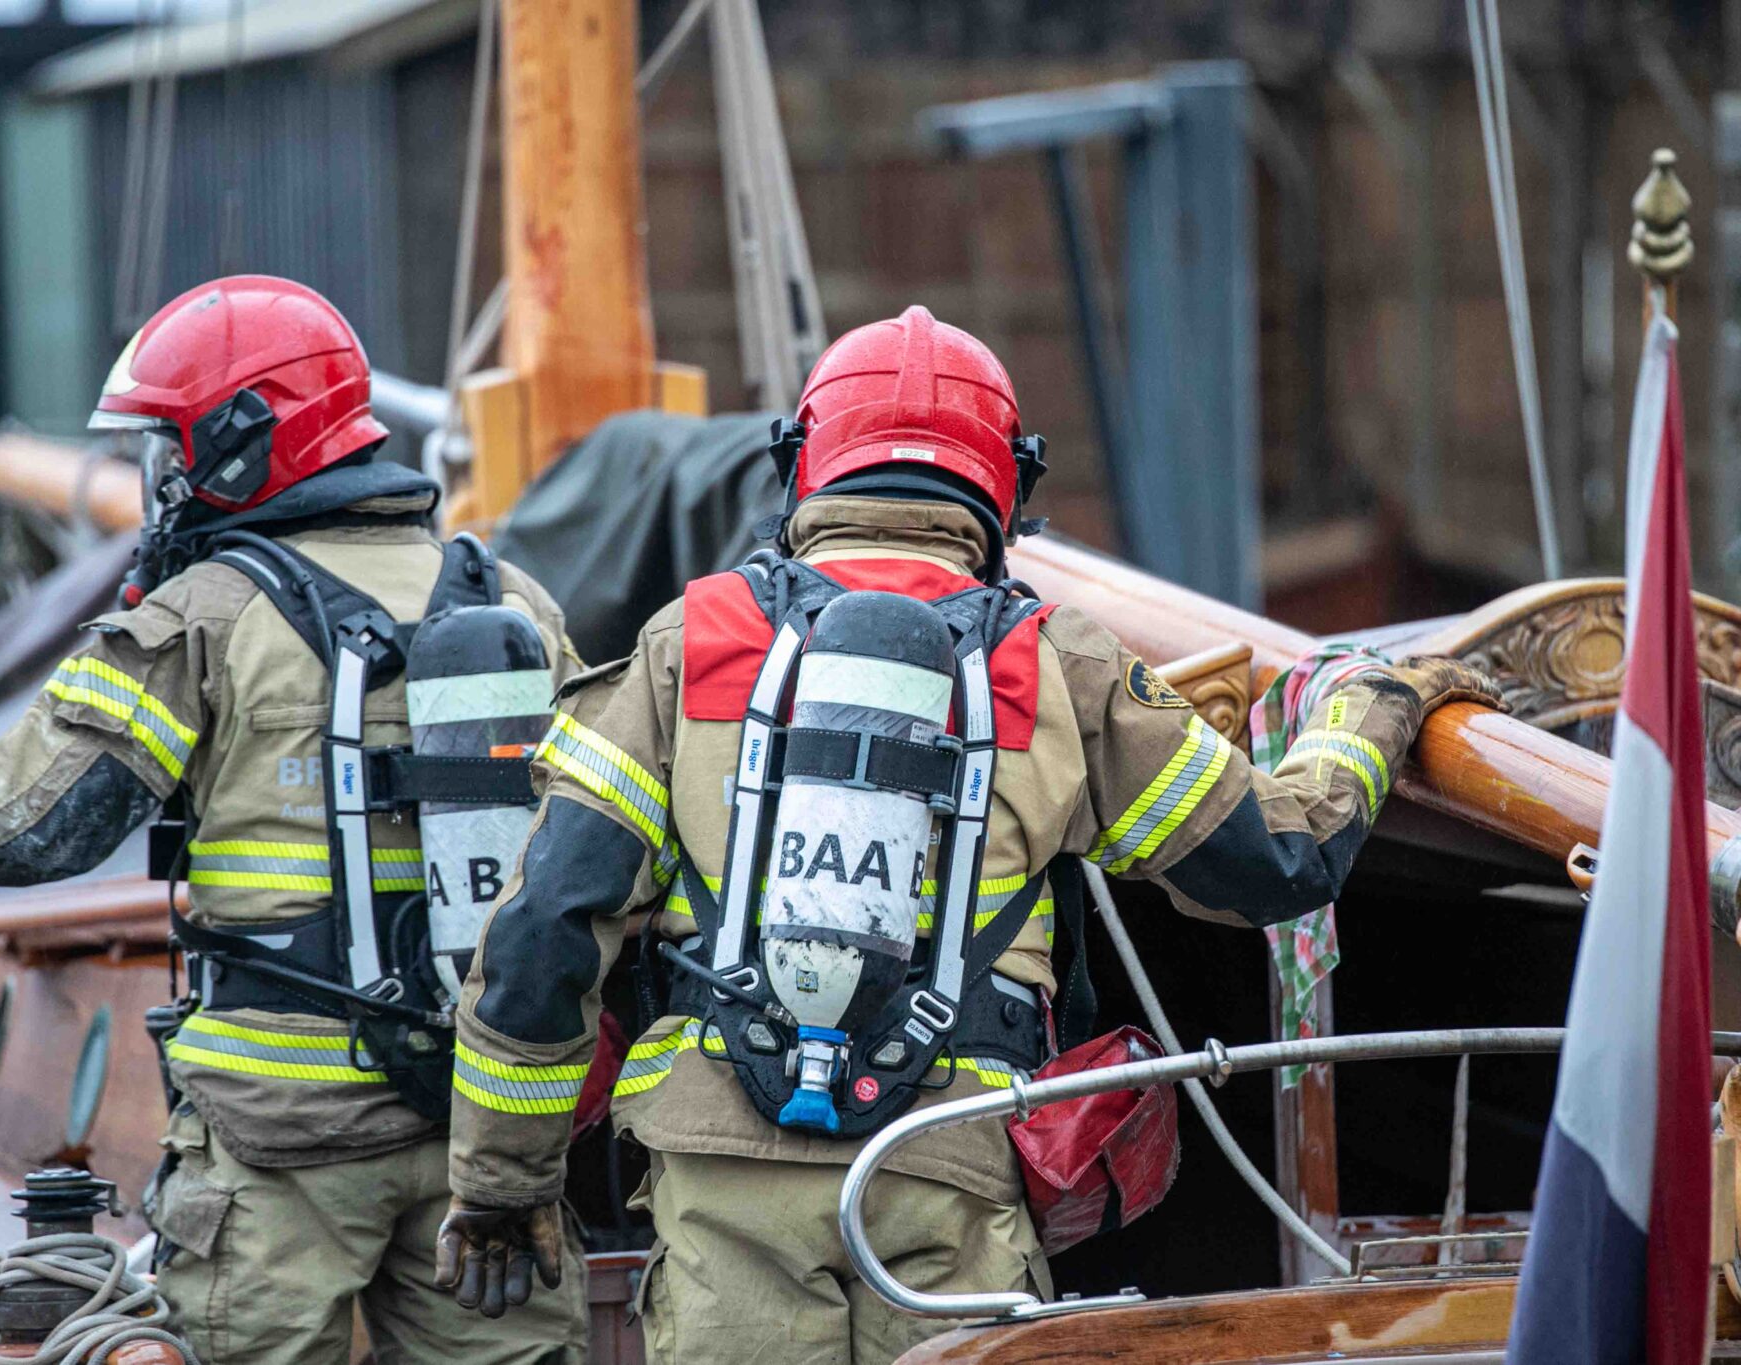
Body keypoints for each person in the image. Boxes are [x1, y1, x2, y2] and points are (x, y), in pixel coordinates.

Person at [431, 305, 1502, 1363]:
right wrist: (1368, 708)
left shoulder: (688, 644)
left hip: (719, 1179)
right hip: (945, 1172)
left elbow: (544, 933)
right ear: (1007, 486)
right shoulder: (1059, 665)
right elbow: (1278, 861)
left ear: (802, 464)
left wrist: (499, 1188)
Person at [0, 276, 590, 1365]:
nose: (151, 479)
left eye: (163, 448)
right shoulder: (514, 602)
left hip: (281, 1147)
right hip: (485, 1133)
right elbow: (593, 858)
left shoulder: (196, 621)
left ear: (236, 440)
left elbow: (9, 831)